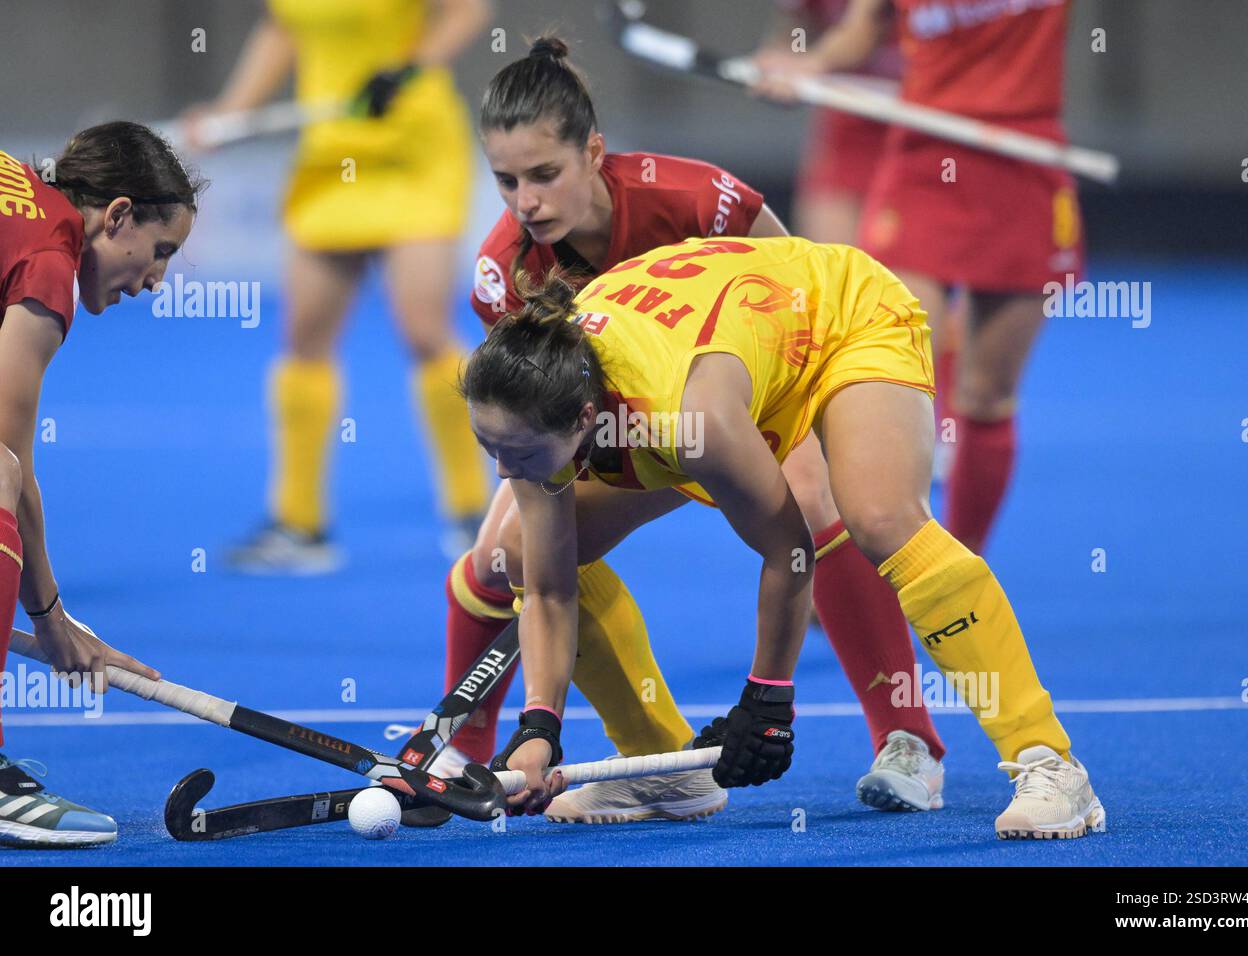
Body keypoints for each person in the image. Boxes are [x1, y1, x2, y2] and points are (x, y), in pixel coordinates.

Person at [431, 38, 947, 823]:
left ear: (593, 152)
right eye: (505, 182)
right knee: (505, 556)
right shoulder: (508, 273)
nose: (525, 202)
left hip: (748, 405)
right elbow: (538, 432)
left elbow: (800, 289)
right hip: (626, 430)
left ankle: (907, 738)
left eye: (544, 175)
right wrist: (545, 722)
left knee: (815, 508)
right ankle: (488, 757)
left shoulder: (698, 199)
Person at [463, 235, 1106, 840]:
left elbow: (788, 548)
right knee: (522, 548)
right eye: (488, 446)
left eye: (514, 452)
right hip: (722, 352)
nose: (502, 468)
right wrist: (539, 725)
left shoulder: (694, 420)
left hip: (842, 317)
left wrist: (766, 699)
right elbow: (546, 589)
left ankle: (1048, 760)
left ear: (582, 420)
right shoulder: (533, 402)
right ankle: (663, 770)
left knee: (880, 518)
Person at [754, 0, 1086, 553]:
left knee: (985, 396)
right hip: (925, 164)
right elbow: (862, 29)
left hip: (1023, 167)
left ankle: (961, 568)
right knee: (876, 369)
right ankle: (854, 558)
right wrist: (810, 66)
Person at [187, 0, 494, 571]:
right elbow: (281, 29)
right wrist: (232, 114)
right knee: (304, 338)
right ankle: (300, 523)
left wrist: (407, 67)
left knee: (425, 330)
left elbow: (467, 11)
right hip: (331, 155)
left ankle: (474, 511)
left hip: (408, 149)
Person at [0, 122, 201, 846]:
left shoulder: (16, 200)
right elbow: (8, 463)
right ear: (116, 215)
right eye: (160, 252)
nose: (156, 282)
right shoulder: (47, 259)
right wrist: (52, 618)